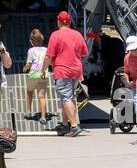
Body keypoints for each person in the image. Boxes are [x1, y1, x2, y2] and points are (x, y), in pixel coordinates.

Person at [45, 10, 89, 138]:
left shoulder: (55, 35)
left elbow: (49, 56)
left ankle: (74, 126)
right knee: (69, 97)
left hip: (62, 70)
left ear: (58, 22)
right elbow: (84, 52)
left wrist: (42, 70)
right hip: (76, 70)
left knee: (66, 97)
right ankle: (65, 125)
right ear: (69, 22)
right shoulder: (78, 35)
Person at [23, 28, 48, 122]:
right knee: (42, 96)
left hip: (34, 74)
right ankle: (43, 117)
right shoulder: (46, 49)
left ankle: (29, 112)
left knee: (29, 92)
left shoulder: (31, 50)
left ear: (31, 41)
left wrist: (25, 68)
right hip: (43, 74)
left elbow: (29, 64)